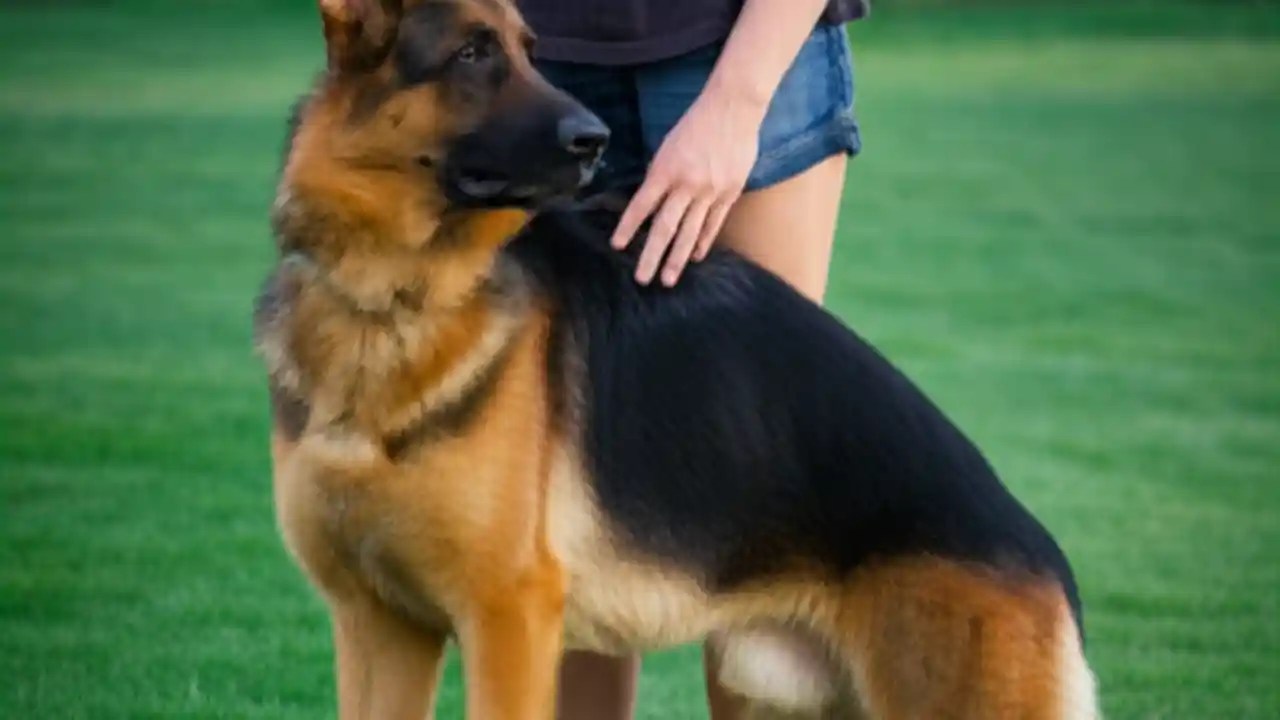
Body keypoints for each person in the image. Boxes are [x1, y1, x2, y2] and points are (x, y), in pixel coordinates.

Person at [516, 0, 867, 717]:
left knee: (756, 481)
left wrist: (734, 106)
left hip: (746, 39)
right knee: (552, 489)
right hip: (530, 50)